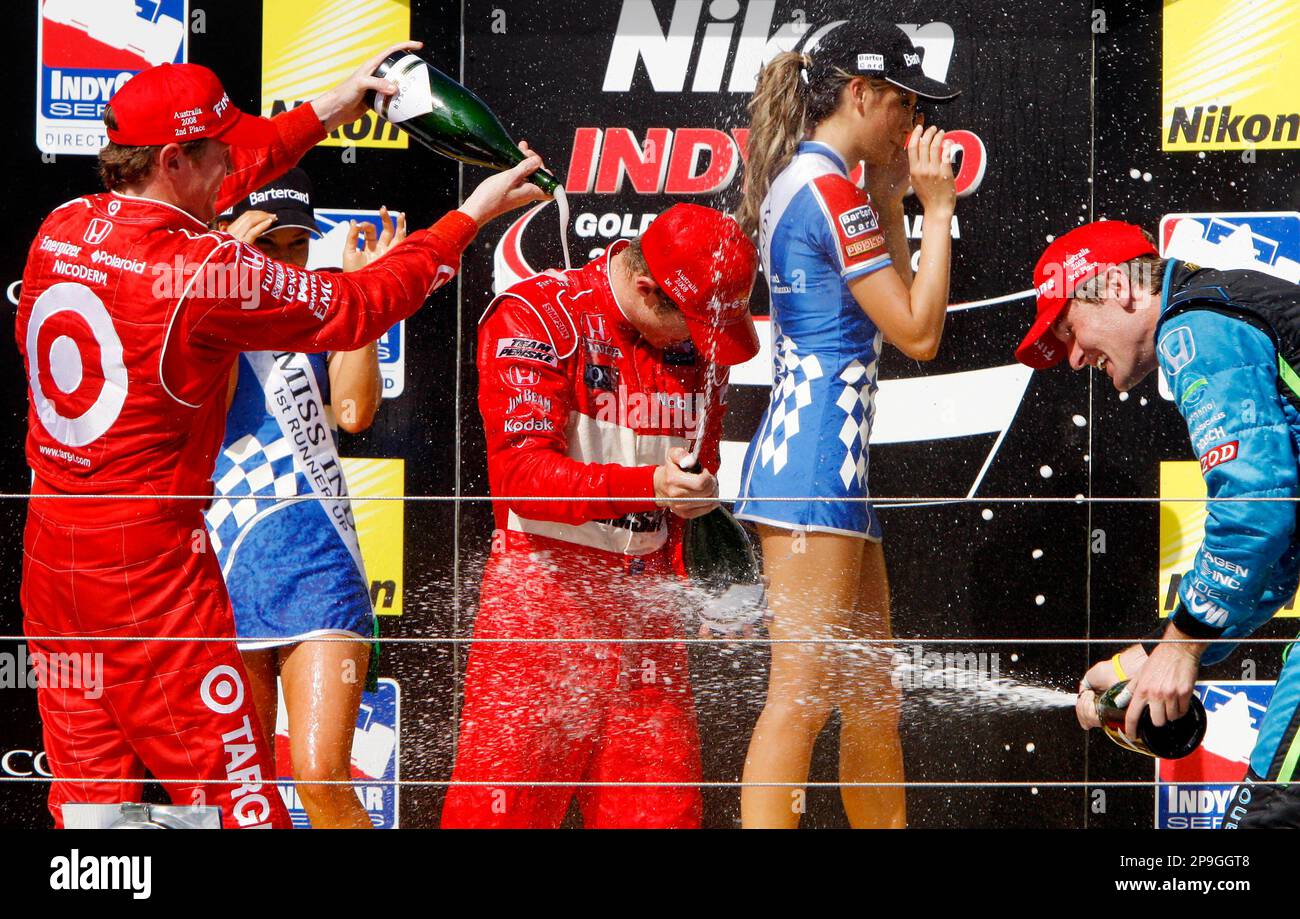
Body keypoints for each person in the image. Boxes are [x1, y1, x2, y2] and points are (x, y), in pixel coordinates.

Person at [16, 46, 547, 828]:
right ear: (170, 158)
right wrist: (468, 218)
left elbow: (221, 179)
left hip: (53, 557)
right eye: (218, 148)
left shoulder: (63, 224)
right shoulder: (206, 272)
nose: (237, 160)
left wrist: (333, 109)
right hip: (150, 569)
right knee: (240, 803)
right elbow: (361, 306)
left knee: (94, 807)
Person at [440, 203, 759, 829]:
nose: (700, 345)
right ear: (647, 287)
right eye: (692, 325)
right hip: (542, 605)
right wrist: (651, 487)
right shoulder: (537, 315)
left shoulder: (703, 350)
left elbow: (691, 487)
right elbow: (519, 480)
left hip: (650, 618)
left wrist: (714, 587)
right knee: (497, 819)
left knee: (662, 819)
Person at [730, 20, 960, 828]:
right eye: (901, 102)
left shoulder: (829, 185)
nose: (910, 122)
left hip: (830, 474)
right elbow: (920, 332)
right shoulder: (827, 191)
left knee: (872, 698)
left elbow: (897, 305)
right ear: (858, 94)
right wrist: (936, 208)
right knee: (800, 698)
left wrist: (896, 204)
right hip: (813, 472)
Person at [1016, 219, 1300, 828]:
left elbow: (1255, 506)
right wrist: (1157, 652)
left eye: (1069, 328)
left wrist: (1181, 648)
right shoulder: (1219, 306)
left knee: (1271, 819)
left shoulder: (1193, 325)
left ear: (1117, 284)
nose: (1071, 359)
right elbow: (1277, 556)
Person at [207, 169, 405, 829]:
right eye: (271, 245)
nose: (288, 261)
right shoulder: (193, 316)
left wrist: (362, 302)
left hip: (318, 563)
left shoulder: (318, 314)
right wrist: (216, 270)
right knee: (242, 791)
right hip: (221, 564)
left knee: (320, 776)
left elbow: (353, 411)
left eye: (299, 246)